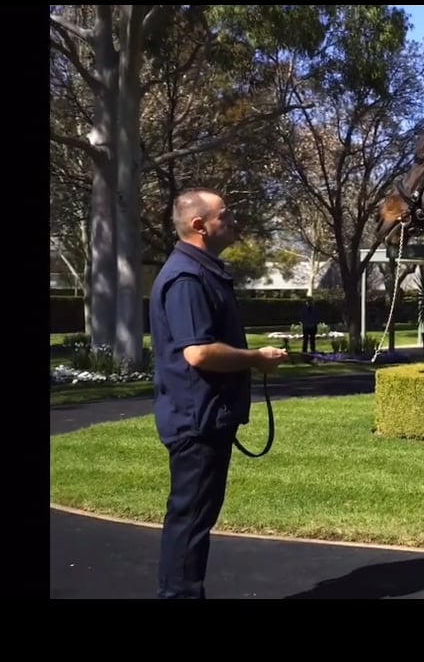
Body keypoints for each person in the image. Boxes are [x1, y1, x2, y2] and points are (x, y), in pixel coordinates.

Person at [147, 187, 289, 599]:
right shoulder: (187, 277)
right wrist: (255, 358)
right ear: (199, 226)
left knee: (195, 519)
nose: (233, 221)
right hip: (196, 420)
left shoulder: (202, 271)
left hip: (206, 415)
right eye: (224, 216)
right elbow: (199, 352)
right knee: (189, 521)